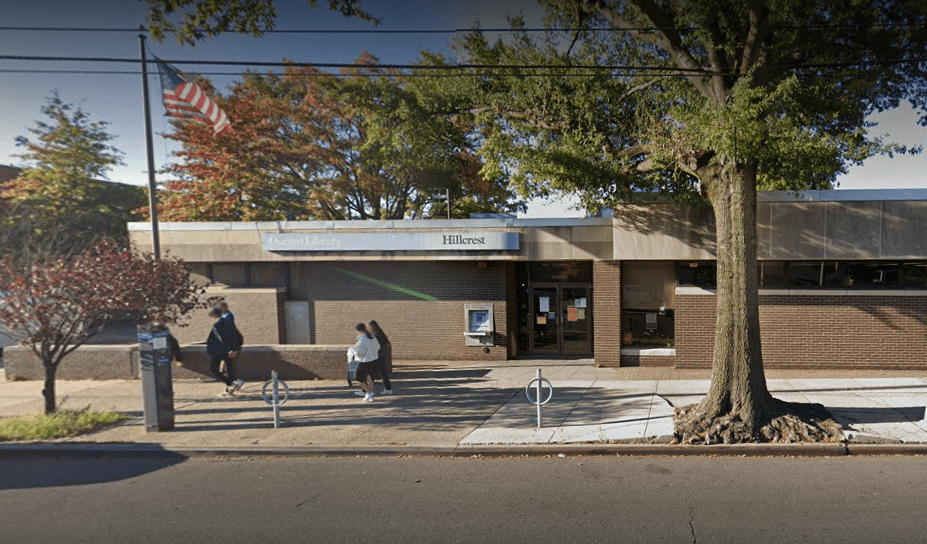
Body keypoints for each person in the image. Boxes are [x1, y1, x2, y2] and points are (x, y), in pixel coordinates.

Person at [206, 306, 244, 396]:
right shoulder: (230, 322)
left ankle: (230, 383)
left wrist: (229, 349)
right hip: (230, 350)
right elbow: (237, 336)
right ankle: (230, 387)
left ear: (215, 315)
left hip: (219, 350)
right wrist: (235, 348)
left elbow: (221, 338)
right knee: (229, 368)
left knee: (213, 368)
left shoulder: (218, 324)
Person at [348, 323, 380, 402]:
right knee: (369, 379)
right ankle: (370, 393)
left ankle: (369, 392)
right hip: (374, 360)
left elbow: (360, 352)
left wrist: (352, 351)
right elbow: (378, 347)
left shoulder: (362, 339)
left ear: (359, 331)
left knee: (359, 379)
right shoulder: (372, 337)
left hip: (364, 362)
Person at [367, 320, 393, 395]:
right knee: (380, 373)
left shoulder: (376, 335)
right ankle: (387, 388)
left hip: (377, 357)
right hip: (381, 356)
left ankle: (367, 390)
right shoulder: (380, 334)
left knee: (373, 374)